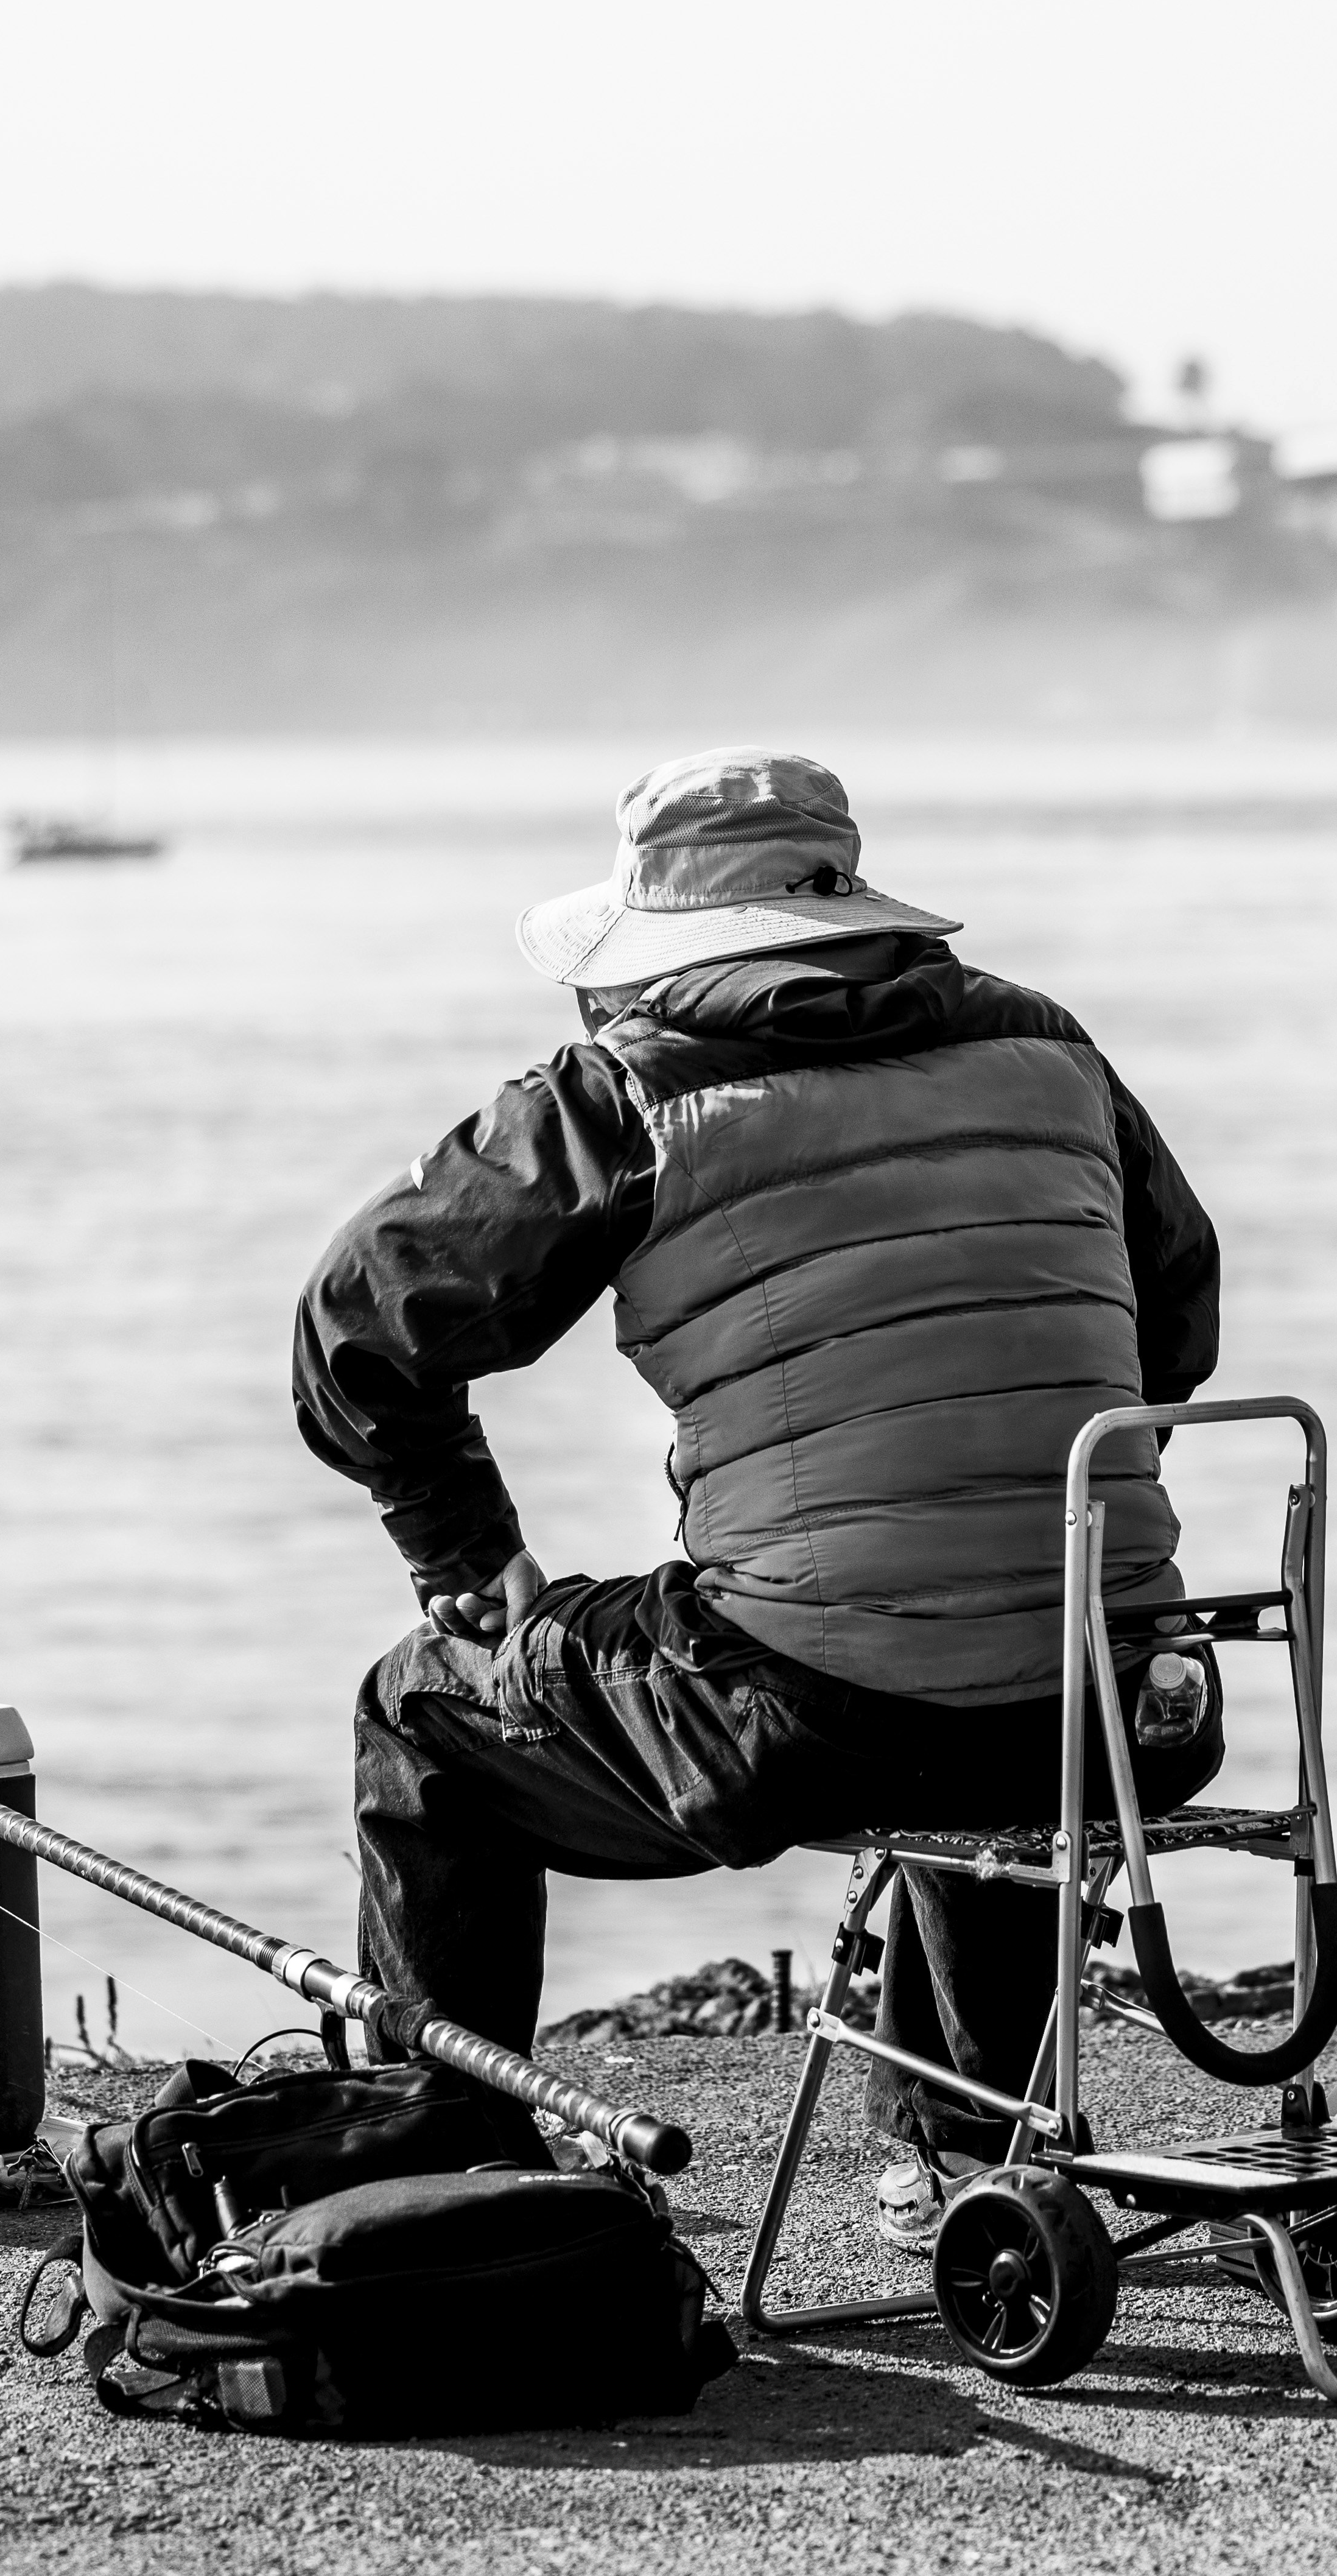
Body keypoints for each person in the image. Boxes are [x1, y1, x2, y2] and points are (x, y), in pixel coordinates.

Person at [291, 745, 1224, 2239]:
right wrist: (999, 1510)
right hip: (1127, 1704)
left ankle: (457, 2161)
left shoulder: (623, 1096)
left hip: (808, 1721)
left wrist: (466, 1552)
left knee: (424, 1714)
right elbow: (1177, 1308)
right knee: (984, 1655)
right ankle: (963, 2141)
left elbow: (356, 1325)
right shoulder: (1054, 1050)